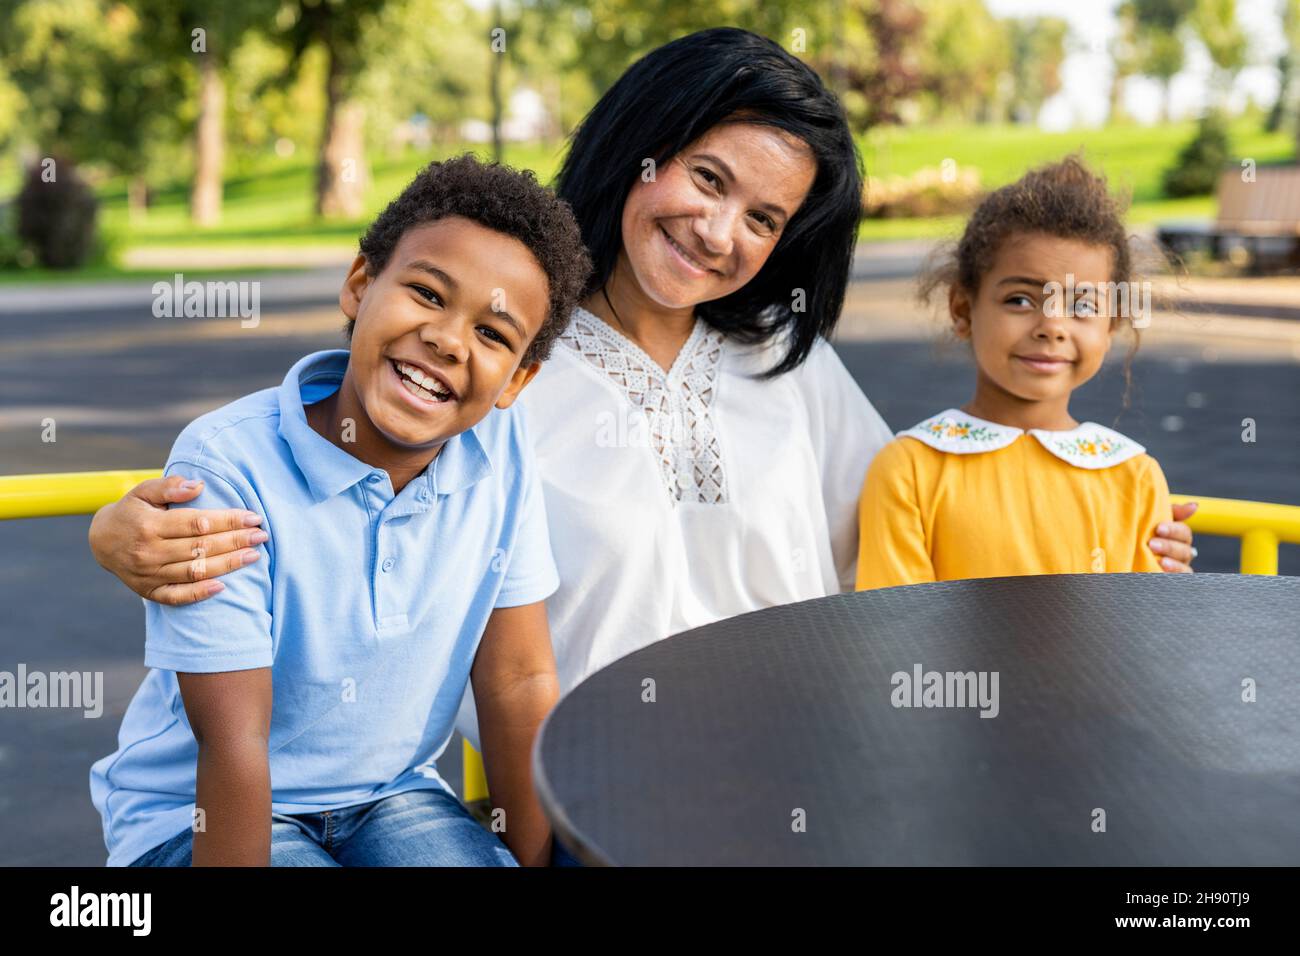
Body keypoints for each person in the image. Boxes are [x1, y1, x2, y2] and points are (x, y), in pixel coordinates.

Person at [86, 29, 1198, 790]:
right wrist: (123, 525)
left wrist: (1110, 549)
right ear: (641, 150)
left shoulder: (785, 366)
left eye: (763, 218)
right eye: (707, 181)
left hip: (803, 782)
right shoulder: (506, 355)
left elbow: (932, 522)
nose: (721, 232)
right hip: (591, 792)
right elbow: (325, 454)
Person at [89, 156, 592, 867]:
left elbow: (518, 680)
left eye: (492, 335)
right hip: (196, 813)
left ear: (518, 380)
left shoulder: (500, 449)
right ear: (360, 285)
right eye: (426, 293)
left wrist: (531, 859)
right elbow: (233, 742)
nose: (448, 340)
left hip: (390, 795)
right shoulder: (229, 466)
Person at [857, 157, 1172, 589]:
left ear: (1111, 325)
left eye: (1083, 306)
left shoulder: (1134, 477)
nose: (1052, 327)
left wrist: (1178, 589)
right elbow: (897, 634)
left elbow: (1144, 636)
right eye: (1021, 300)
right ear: (963, 308)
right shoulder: (909, 469)